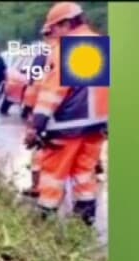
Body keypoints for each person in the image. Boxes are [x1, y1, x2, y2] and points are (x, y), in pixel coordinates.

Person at [26, 2, 109, 225]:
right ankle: (85, 215)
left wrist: (37, 125)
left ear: (66, 23)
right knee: (85, 171)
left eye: (53, 29)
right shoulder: (100, 43)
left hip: (68, 125)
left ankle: (45, 216)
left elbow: (53, 91)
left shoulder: (65, 48)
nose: (52, 35)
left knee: (53, 173)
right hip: (97, 126)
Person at [20, 49, 51, 198]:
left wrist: (31, 130)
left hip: (43, 121)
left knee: (38, 154)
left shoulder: (37, 82)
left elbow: (30, 104)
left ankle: (37, 186)